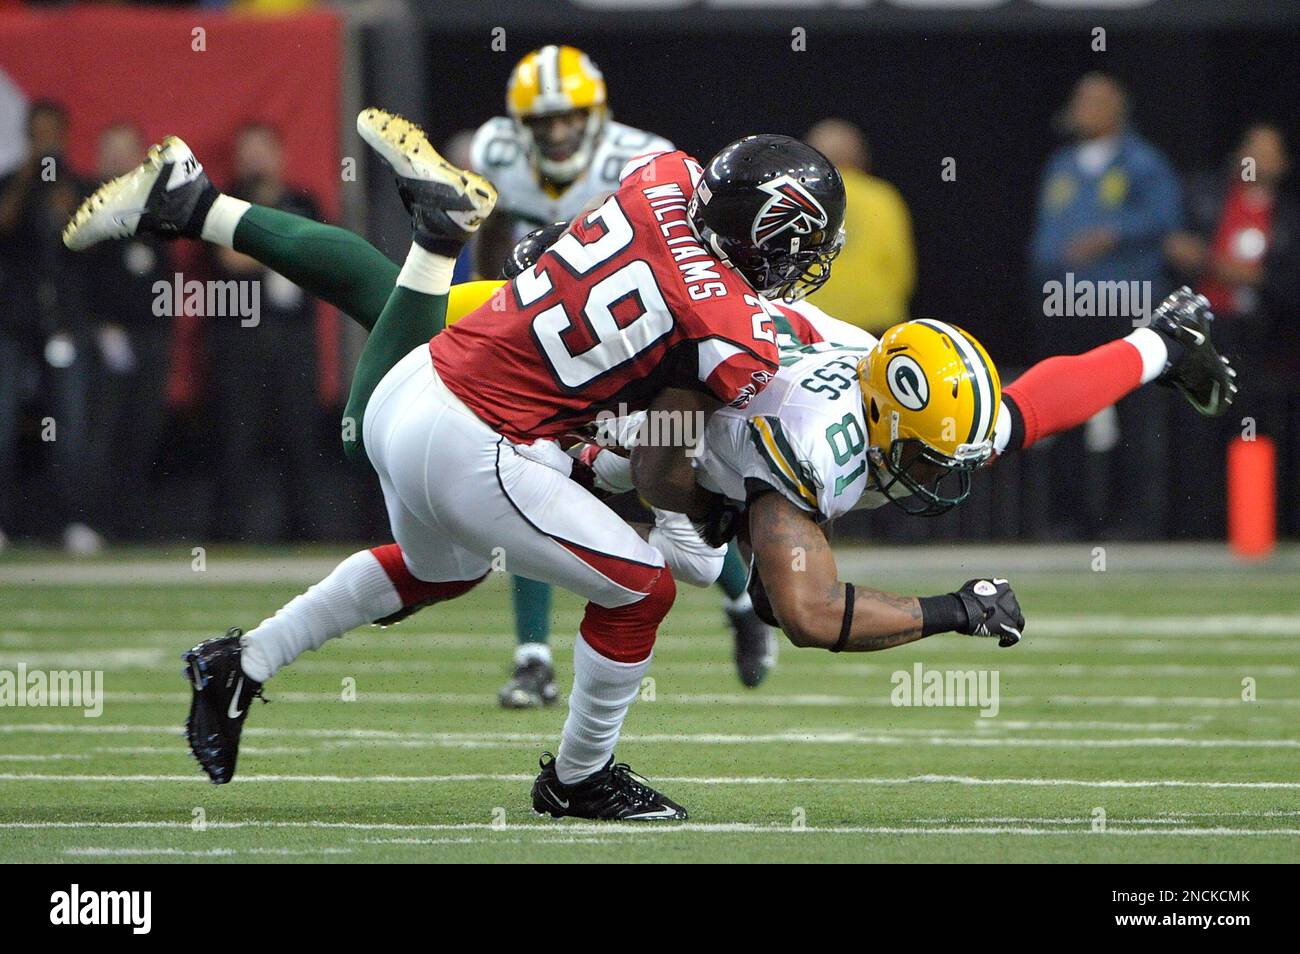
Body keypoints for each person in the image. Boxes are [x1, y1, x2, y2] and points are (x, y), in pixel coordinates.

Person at [64, 112, 847, 820]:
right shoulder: (729, 329)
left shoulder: (666, 175)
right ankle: (581, 778)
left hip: (423, 383)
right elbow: (657, 467)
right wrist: (698, 514)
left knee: (442, 567)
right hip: (474, 432)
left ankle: (241, 662)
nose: (804, 264)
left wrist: (611, 461)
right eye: (803, 248)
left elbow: (551, 257)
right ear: (768, 235)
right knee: (644, 590)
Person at [469, 45, 776, 704]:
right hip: (555, 338)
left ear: (598, 114)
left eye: (568, 118)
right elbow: (494, 229)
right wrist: (486, 299)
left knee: (665, 483)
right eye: (543, 122)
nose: (555, 134)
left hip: (641, 345)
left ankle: (743, 608)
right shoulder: (495, 152)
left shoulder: (642, 159)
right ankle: (532, 657)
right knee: (532, 463)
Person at [1028, 73, 1182, 538]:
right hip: (1067, 303)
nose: (1085, 109)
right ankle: (1072, 519)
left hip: (1123, 300)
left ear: (1119, 109)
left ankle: (1137, 520)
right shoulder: (1062, 165)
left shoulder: (1143, 162)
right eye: (1081, 101)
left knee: (1135, 411)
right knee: (1064, 405)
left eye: (1097, 102)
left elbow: (1165, 219)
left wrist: (1113, 234)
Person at [206, 123, 324, 542]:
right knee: (237, 435)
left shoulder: (304, 201)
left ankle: (304, 533)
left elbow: (323, 259)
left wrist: (266, 246)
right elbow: (228, 261)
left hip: (294, 337)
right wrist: (283, 246)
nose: (256, 160)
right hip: (241, 335)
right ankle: (228, 534)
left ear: (279, 156)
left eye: (263, 151)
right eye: (248, 151)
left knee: (300, 434)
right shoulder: (222, 202)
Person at [0, 100, 104, 554]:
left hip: (66, 324)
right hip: (13, 324)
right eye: (36, 134)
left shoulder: (78, 186)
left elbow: (92, 244)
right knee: (2, 426)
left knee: (70, 428)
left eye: (51, 134)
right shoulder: (12, 184)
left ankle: (72, 521)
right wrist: (25, 181)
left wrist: (68, 207)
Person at [82, 122, 172, 540]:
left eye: (126, 151)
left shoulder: (156, 211)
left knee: (143, 429)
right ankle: (90, 522)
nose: (118, 160)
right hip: (104, 337)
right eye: (111, 151)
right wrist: (100, 327)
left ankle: (132, 526)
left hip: (151, 336)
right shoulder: (87, 207)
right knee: (102, 429)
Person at [804, 118, 915, 333]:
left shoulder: (798, 200)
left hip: (810, 323)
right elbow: (902, 267)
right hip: (874, 323)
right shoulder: (882, 196)